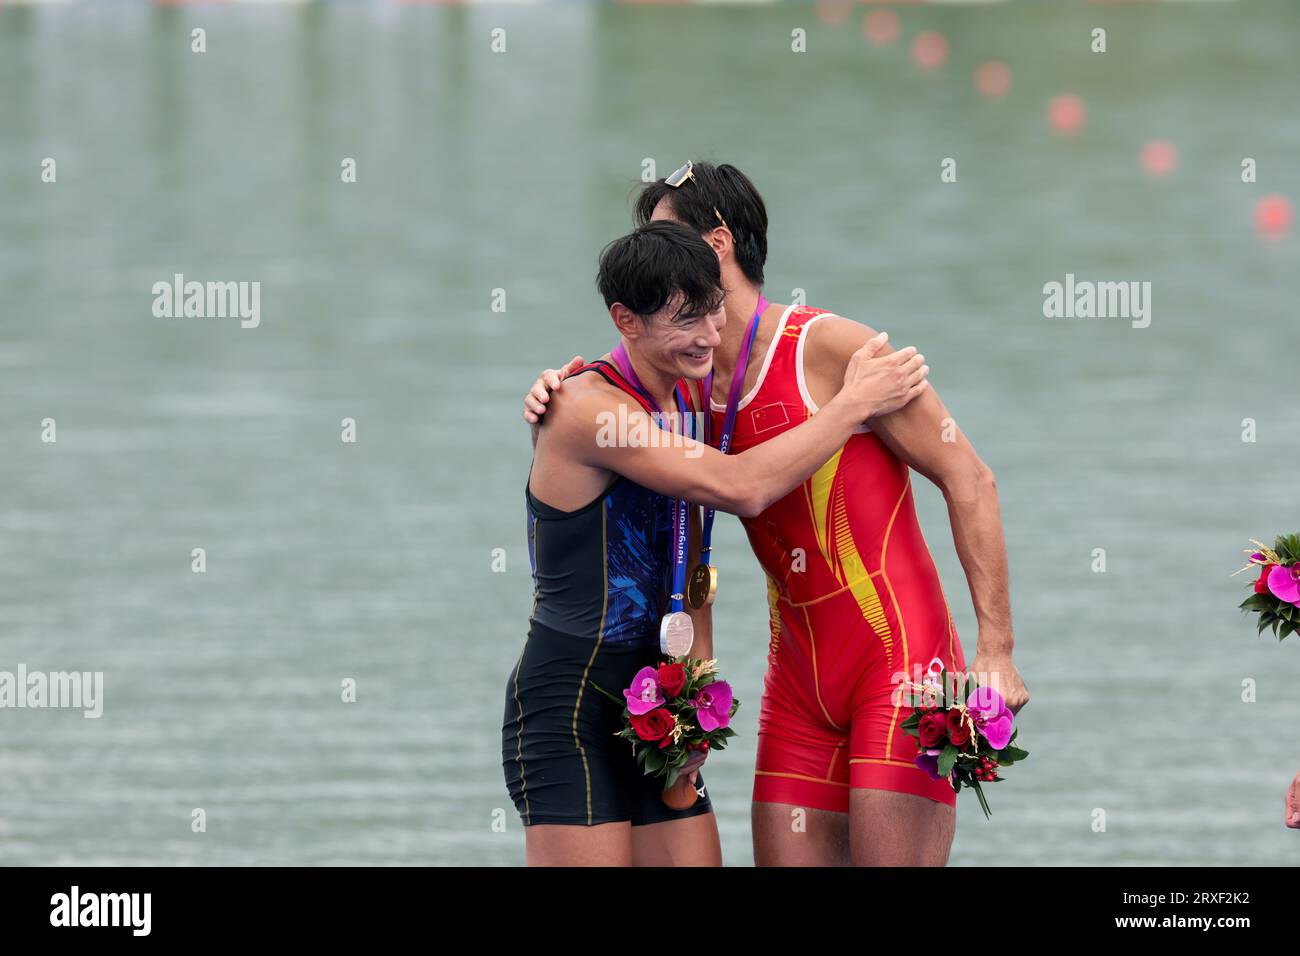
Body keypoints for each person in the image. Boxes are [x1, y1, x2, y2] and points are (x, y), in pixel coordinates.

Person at [521, 160, 1028, 866]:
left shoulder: (840, 353)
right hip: (796, 685)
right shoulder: (679, 391)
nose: (654, 258)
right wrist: (555, 392)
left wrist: (996, 651)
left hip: (900, 665)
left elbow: (969, 478)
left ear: (718, 244)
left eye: (668, 239)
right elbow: (685, 520)